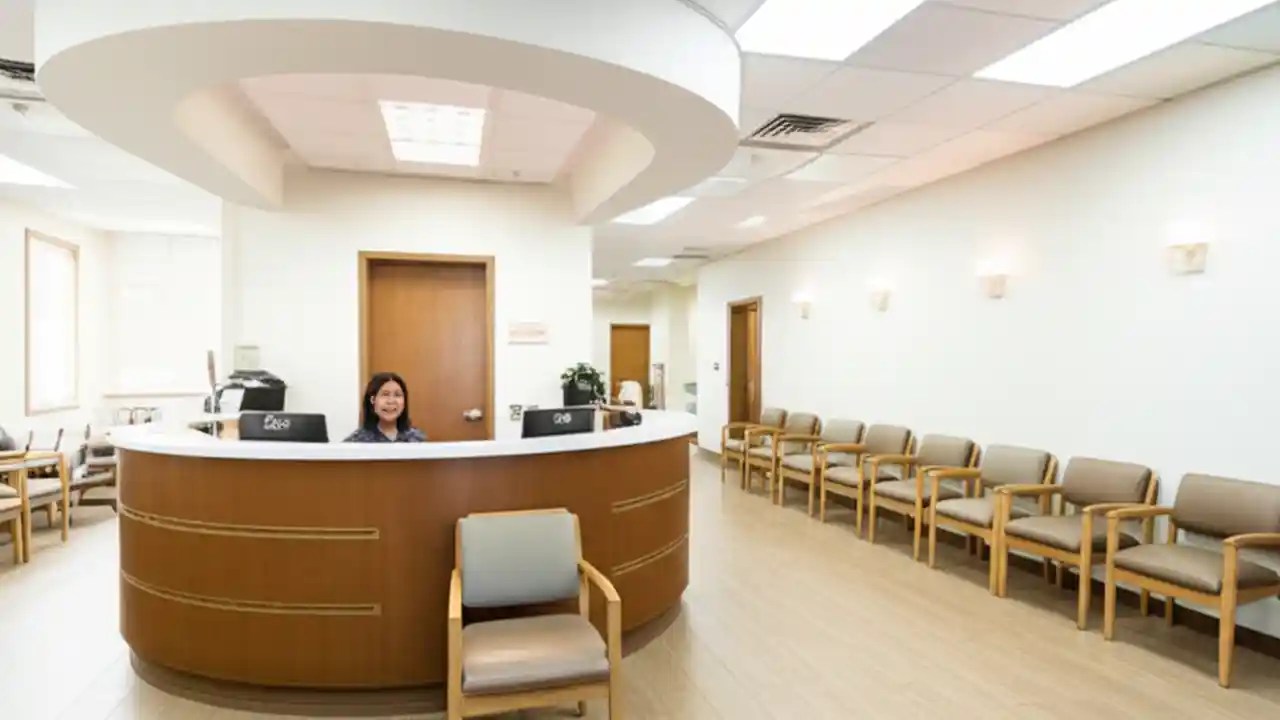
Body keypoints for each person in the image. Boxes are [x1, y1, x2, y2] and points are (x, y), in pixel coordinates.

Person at [344, 372, 427, 443]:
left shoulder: (417, 439)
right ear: (373, 400)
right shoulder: (356, 441)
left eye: (397, 395)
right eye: (385, 394)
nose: (391, 401)